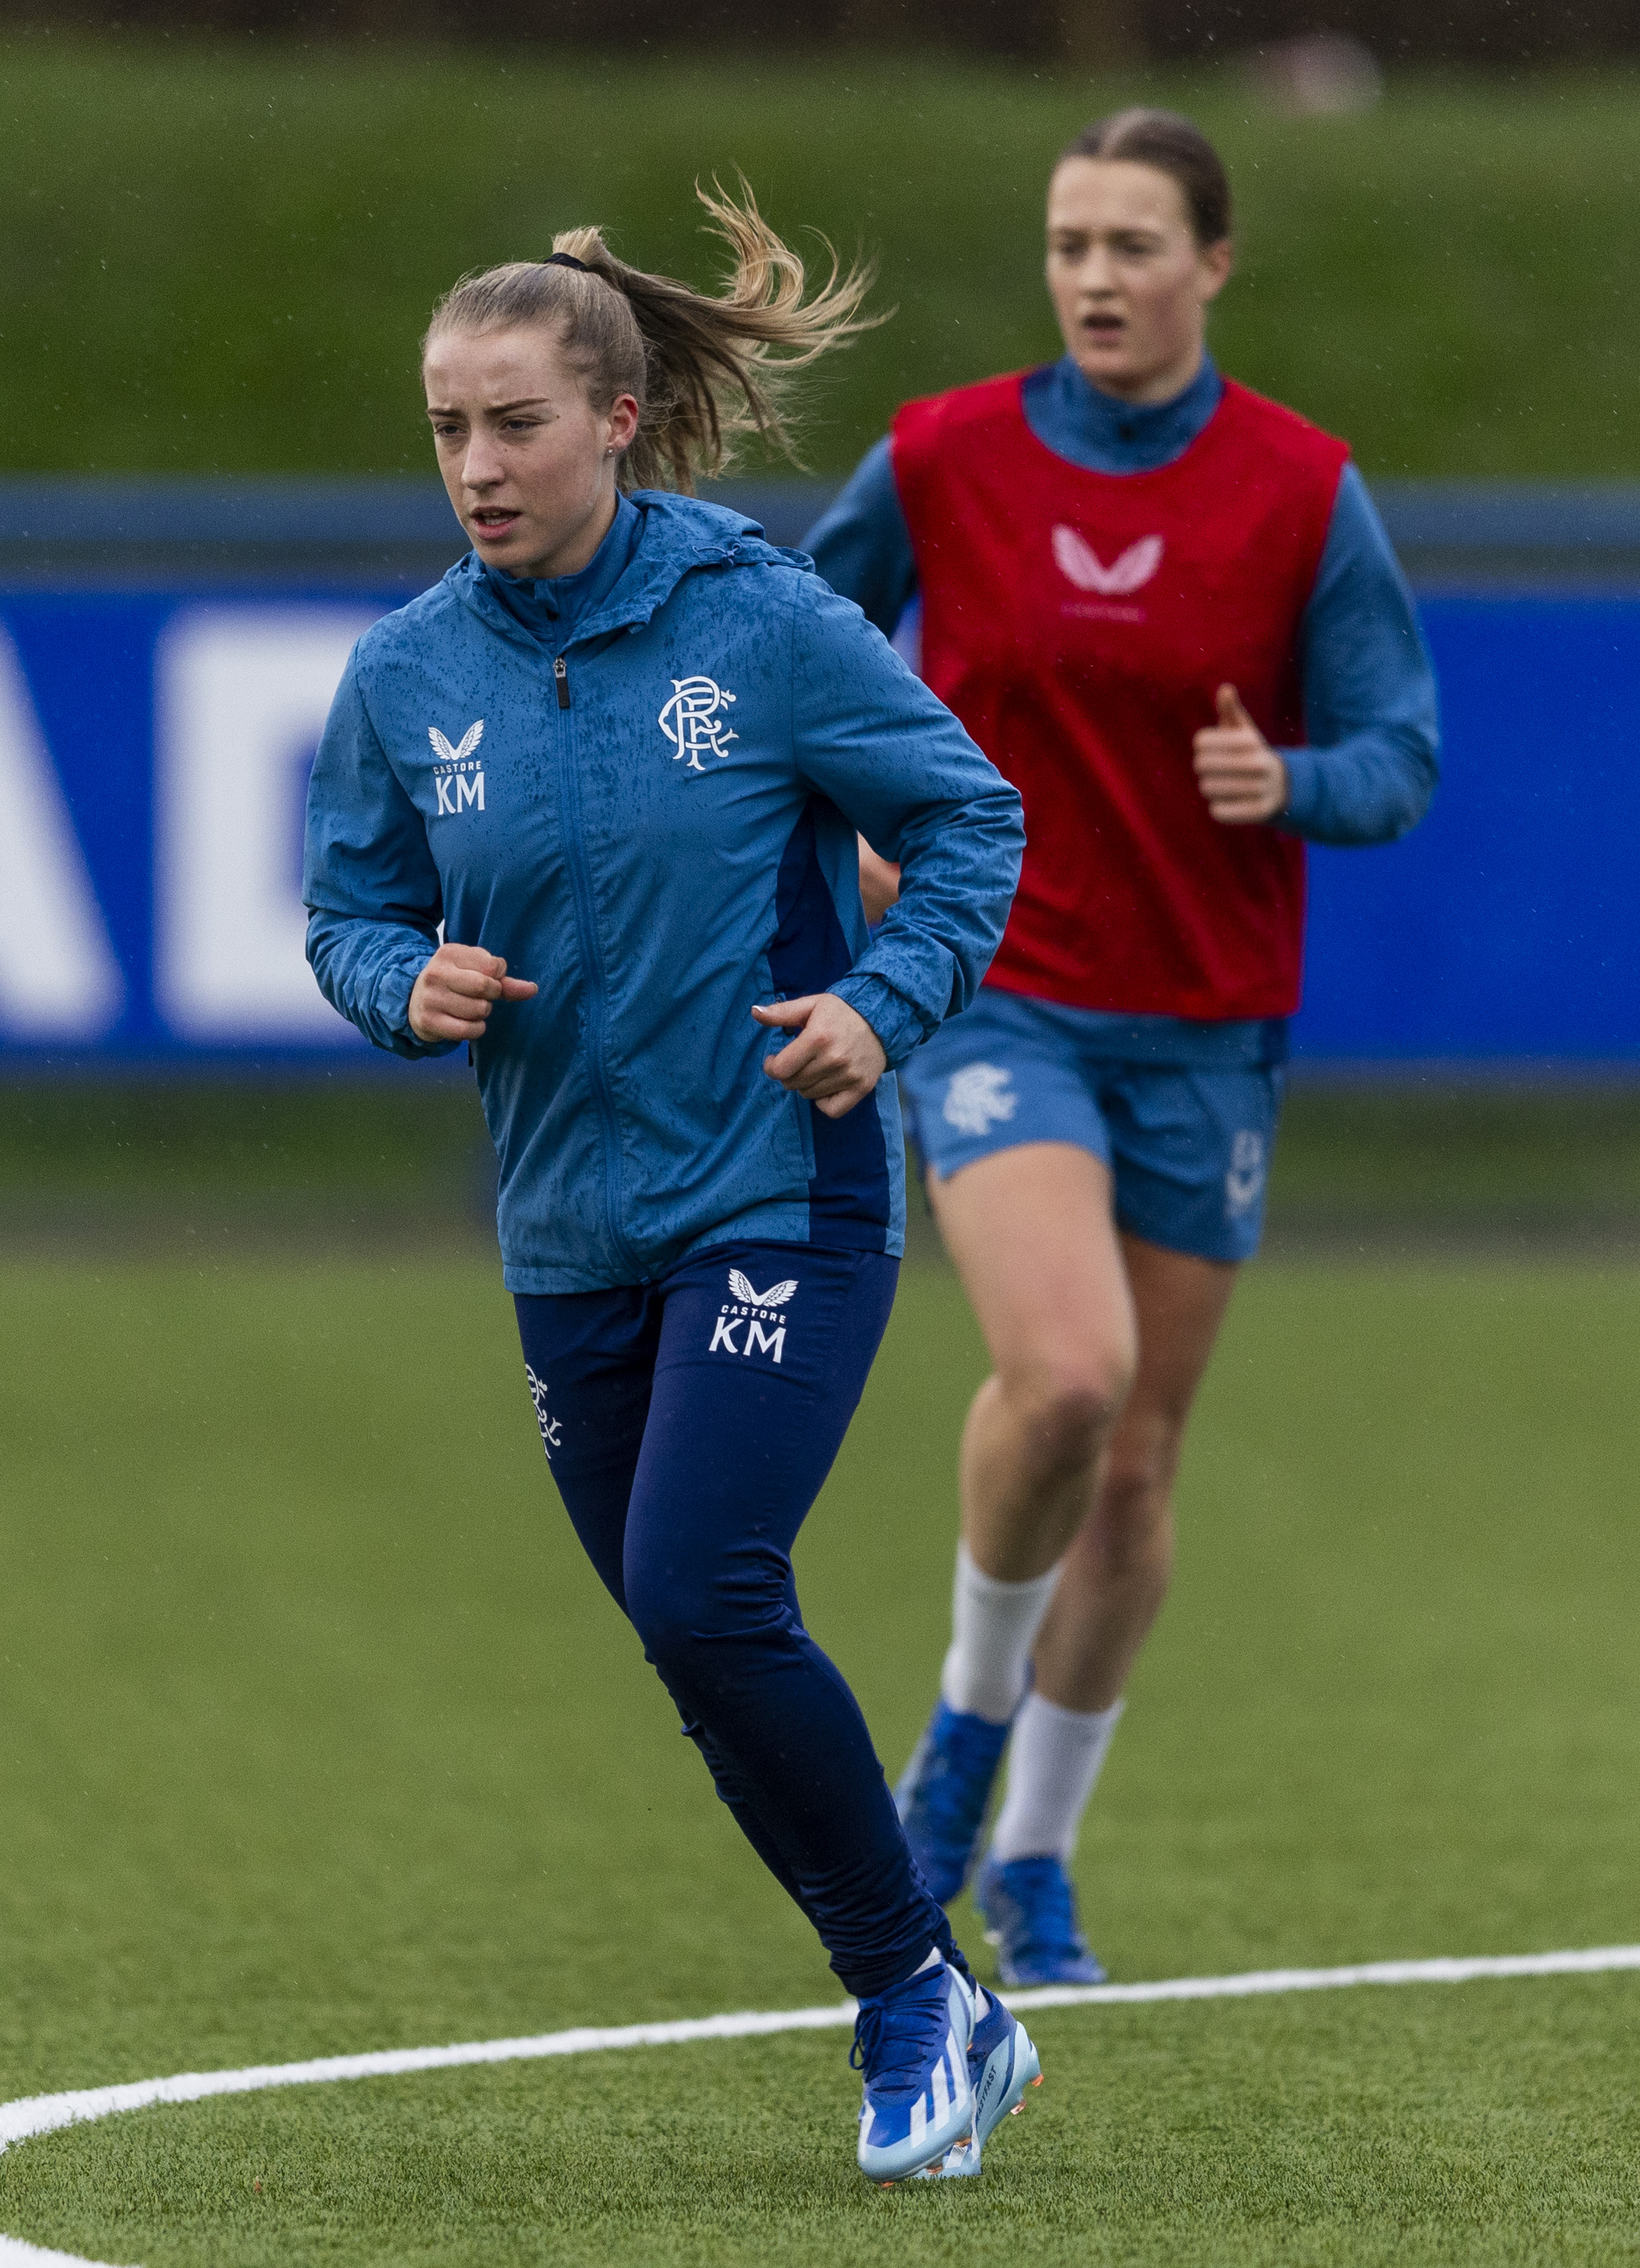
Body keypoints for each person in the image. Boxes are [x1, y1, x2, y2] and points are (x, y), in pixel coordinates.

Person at [302, 184, 1038, 2185]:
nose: (474, 465)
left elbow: (969, 818)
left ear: (616, 419)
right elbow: (349, 907)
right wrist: (399, 981)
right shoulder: (404, 675)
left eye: (512, 424)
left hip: (779, 1187)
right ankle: (942, 2001)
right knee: (689, 1629)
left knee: (701, 1583)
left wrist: (881, 1005)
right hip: (566, 1228)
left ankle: (908, 2009)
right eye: (447, 426)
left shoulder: (763, 626)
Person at [806, 109, 1439, 1986]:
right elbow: (795, 640)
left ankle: (1034, 1857)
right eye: (1069, 241)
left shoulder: (1299, 490)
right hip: (995, 990)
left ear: (1211, 266)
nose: (1093, 275)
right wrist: (847, 811)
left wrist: (1289, 779)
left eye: (1132, 244)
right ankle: (957, 1737)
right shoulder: (941, 456)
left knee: (1139, 1465)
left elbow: (1400, 755)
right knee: (1065, 1377)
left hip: (1207, 1029)